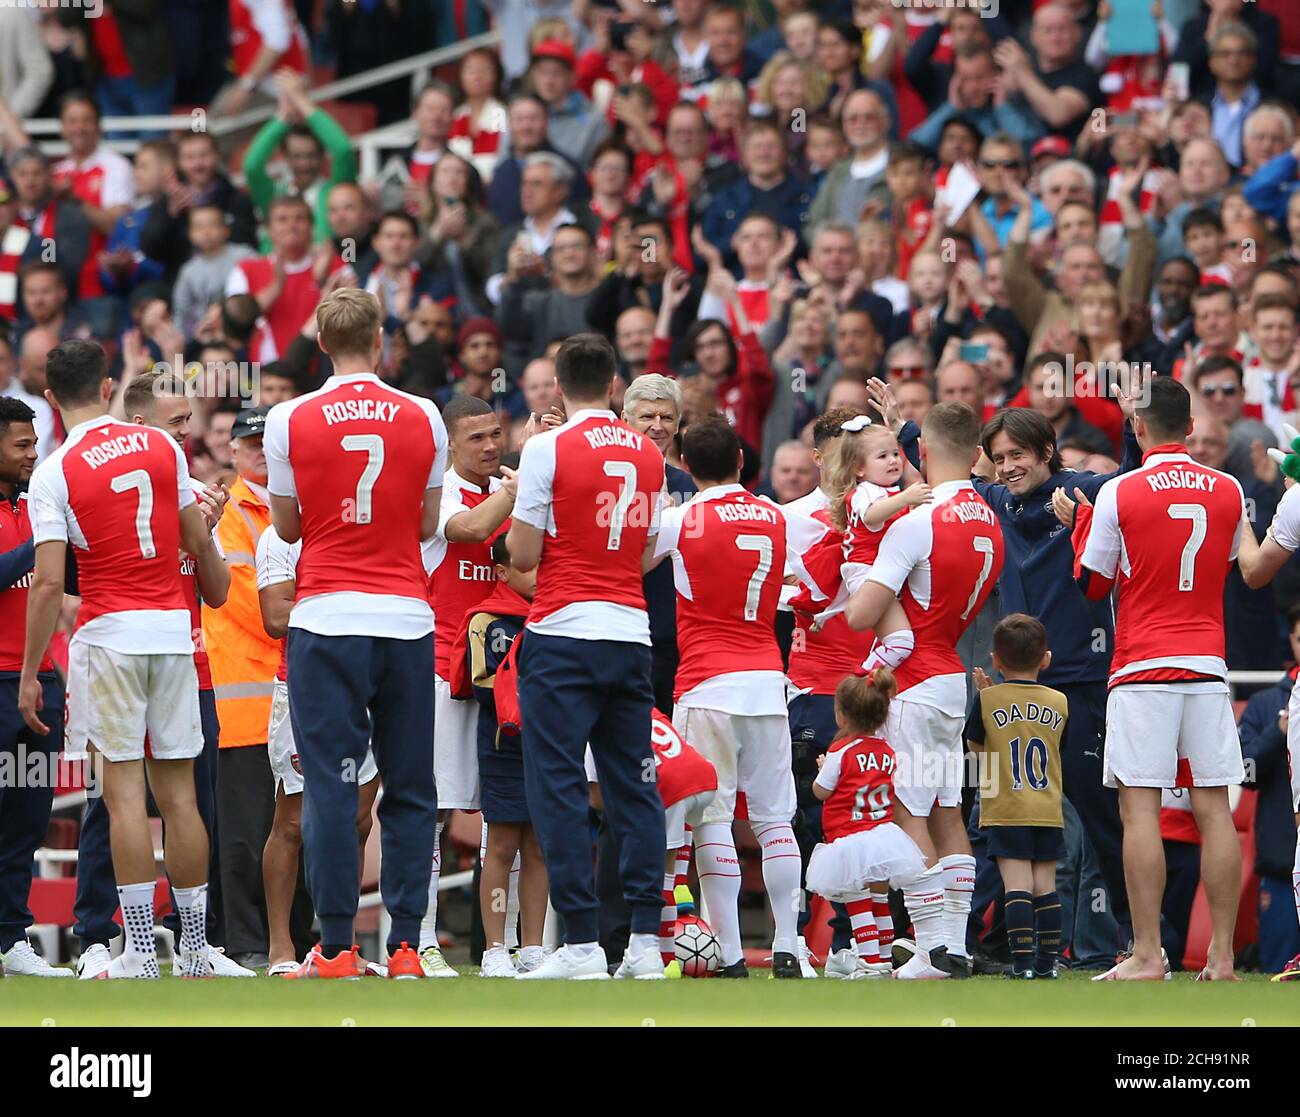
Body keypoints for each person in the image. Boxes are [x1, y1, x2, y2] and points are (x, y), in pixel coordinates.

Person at [264, 288, 448, 979]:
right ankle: (405, 946)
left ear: (319, 342)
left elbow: (287, 528)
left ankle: (335, 947)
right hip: (404, 617)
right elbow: (429, 524)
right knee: (409, 785)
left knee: (334, 787)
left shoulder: (289, 417)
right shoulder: (424, 414)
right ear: (381, 339)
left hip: (325, 619)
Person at [21, 340, 215, 980]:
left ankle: (137, 950)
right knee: (181, 799)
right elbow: (196, 537)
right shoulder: (161, 445)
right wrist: (214, 587)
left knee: (125, 797)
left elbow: (49, 583)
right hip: (172, 631)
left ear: (50, 399)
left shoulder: (53, 471)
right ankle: (192, 949)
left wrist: (29, 673)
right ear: (108, 387)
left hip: (109, 635)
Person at [1065, 375, 1246, 982]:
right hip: (1207, 665)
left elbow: (1093, 584)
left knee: (1139, 809)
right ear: (1191, 426)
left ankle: (1147, 954)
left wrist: (1080, 523)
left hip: (1143, 665)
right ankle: (1220, 957)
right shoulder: (1227, 488)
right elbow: (1222, 567)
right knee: (1214, 809)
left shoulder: (1118, 492)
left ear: (1137, 427)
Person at [506, 332, 666, 981]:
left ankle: (579, 943)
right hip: (630, 633)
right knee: (636, 785)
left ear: (558, 387)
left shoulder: (546, 447)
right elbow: (648, 549)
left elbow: (519, 553)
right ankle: (647, 942)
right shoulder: (651, 451)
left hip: (563, 631)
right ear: (614, 385)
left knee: (559, 783)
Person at [845, 401, 1006, 979]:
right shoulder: (990, 520)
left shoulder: (917, 522)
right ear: (979, 454)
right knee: (946, 812)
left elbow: (863, 615)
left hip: (913, 682)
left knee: (910, 812)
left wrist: (853, 573)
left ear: (923, 453)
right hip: (950, 676)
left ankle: (934, 949)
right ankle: (952, 945)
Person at [651, 416, 806, 978]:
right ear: (743, 458)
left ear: (687, 466)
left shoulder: (682, 516)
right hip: (768, 680)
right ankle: (789, 945)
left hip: (705, 682)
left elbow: (634, 560)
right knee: (774, 820)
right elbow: (793, 585)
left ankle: (733, 954)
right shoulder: (775, 515)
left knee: (712, 820)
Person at [419, 395, 517, 977]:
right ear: (450, 445)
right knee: (432, 810)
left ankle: (508, 947)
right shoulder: (441, 495)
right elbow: (472, 530)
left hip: (509, 674)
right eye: (476, 437)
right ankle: (424, 938)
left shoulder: (513, 490)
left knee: (508, 814)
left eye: (496, 434)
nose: (489, 445)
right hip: (444, 670)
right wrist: (523, 486)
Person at [255, 523, 379, 976]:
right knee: (292, 822)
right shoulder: (281, 537)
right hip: (303, 688)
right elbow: (274, 617)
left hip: (366, 686)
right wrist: (350, 605)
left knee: (358, 821)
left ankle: (341, 946)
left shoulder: (367, 526)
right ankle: (280, 948)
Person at [0, 398, 69, 976]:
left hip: (41, 682)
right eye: (21, 445)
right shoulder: (35, 522)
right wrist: (47, 544)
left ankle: (10, 938)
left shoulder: (35, 507)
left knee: (28, 816)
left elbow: (67, 574)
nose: (32, 454)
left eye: (34, 443)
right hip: (0, 683)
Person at [459, 533, 548, 978]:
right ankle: (496, 946)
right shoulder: (487, 619)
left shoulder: (555, 617)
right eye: (526, 566)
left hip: (549, 749)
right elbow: (483, 685)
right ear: (500, 571)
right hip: (504, 746)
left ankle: (532, 947)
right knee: (501, 845)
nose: (536, 574)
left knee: (539, 848)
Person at [966, 614, 1069, 980]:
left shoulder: (988, 700)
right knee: (1046, 888)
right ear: (1046, 659)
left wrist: (986, 694)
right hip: (1046, 807)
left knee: (1016, 887)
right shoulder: (1059, 701)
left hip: (1006, 808)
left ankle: (1022, 965)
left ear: (995, 660)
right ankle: (1048, 965)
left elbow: (976, 751)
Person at [806, 668, 927, 979]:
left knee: (857, 900)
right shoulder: (887, 752)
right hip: (882, 837)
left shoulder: (840, 751)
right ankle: (884, 959)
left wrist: (822, 768)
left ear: (842, 716)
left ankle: (869, 962)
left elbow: (821, 791)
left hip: (849, 836)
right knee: (880, 900)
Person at [819, 413, 929, 668]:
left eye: (894, 453)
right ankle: (863, 685)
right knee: (901, 642)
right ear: (859, 468)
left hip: (885, 574)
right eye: (882, 456)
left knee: (892, 641)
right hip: (867, 574)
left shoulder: (890, 491)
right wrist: (906, 499)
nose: (892, 461)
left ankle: (873, 683)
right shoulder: (866, 491)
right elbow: (871, 515)